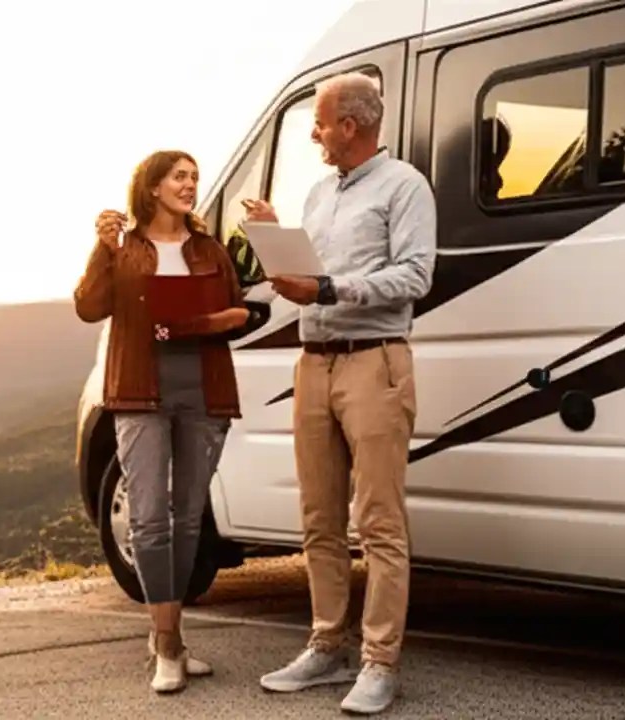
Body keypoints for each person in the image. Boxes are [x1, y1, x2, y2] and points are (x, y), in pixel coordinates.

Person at [250, 72, 436, 715]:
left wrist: (326, 290)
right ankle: (327, 647)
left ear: (351, 125)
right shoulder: (318, 193)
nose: (315, 134)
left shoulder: (405, 185)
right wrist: (278, 242)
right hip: (314, 364)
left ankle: (380, 662)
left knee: (379, 521)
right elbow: (307, 278)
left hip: (375, 363)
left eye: (322, 123)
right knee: (318, 518)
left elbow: (415, 275)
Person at [73, 150, 268, 694]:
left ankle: (173, 640)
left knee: (188, 519)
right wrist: (101, 248)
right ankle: (166, 643)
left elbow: (237, 311)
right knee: (150, 518)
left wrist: (206, 321)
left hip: (203, 388)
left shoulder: (209, 250)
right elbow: (89, 307)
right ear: (153, 186)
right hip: (139, 388)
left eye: (194, 177)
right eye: (179, 176)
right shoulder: (125, 247)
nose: (190, 184)